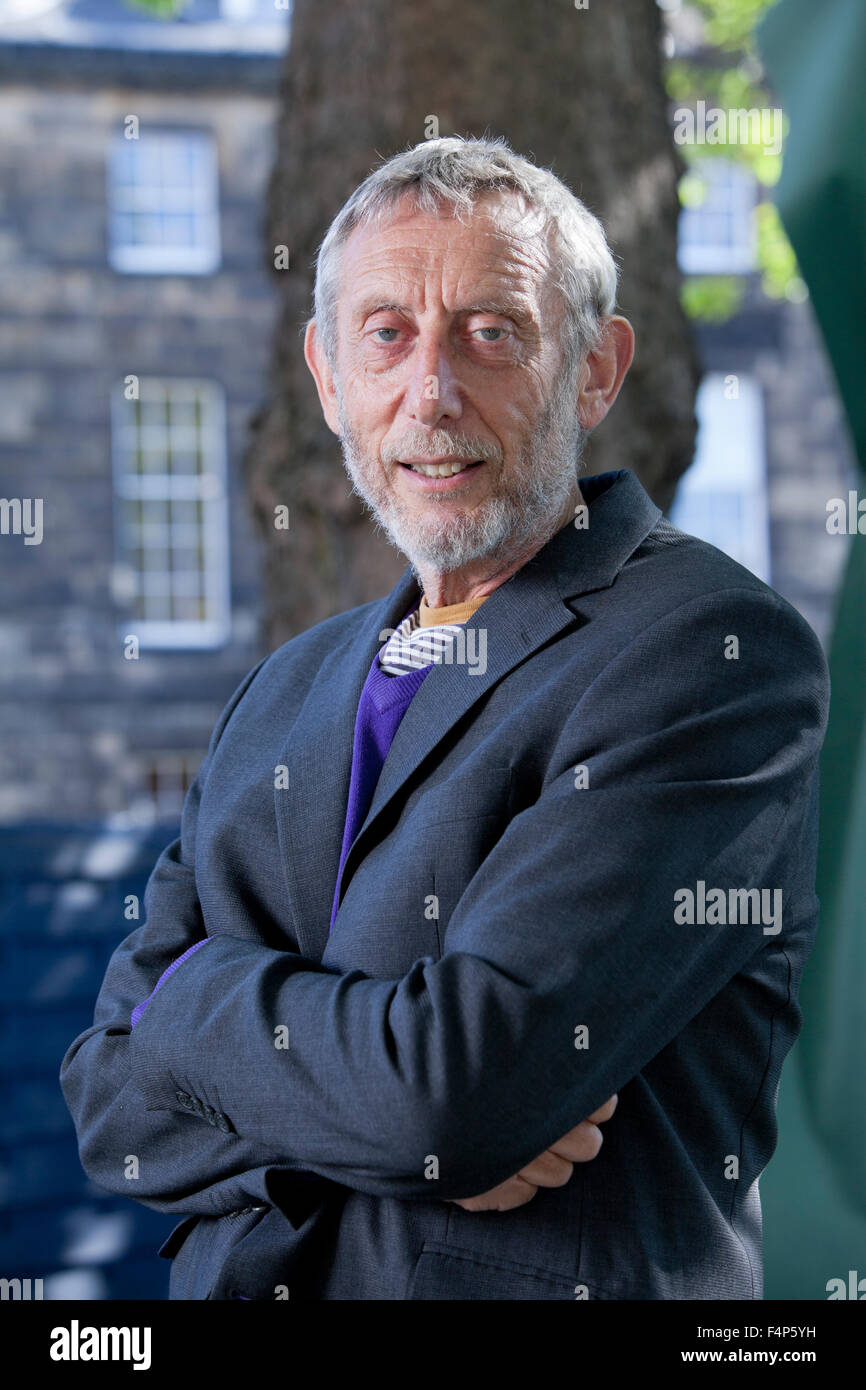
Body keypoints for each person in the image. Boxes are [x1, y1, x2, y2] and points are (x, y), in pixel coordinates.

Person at [61, 135, 830, 1300]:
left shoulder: (707, 653)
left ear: (594, 368)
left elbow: (456, 1090)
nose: (431, 390)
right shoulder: (281, 687)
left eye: (491, 331)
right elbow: (107, 1105)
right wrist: (385, 1117)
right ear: (328, 376)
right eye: (386, 334)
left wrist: (187, 1009)